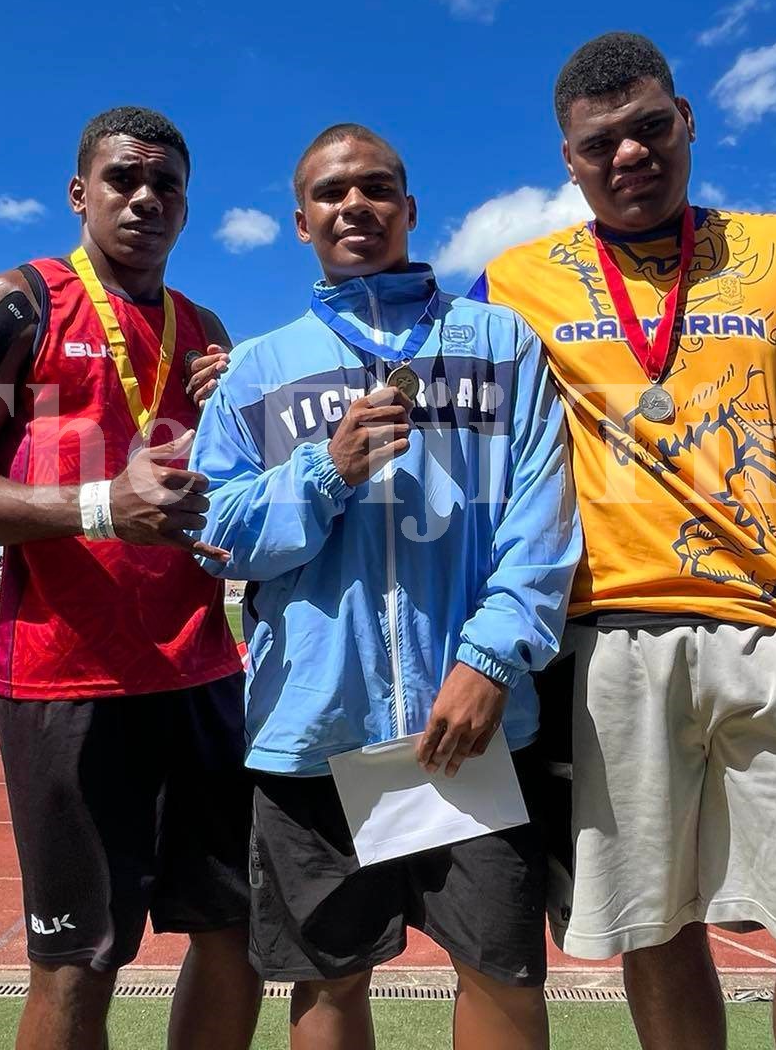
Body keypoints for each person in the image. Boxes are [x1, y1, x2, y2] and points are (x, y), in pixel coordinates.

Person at [471, 33, 776, 1050]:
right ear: (568, 160)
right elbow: (450, 431)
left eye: (649, 128)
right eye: (598, 144)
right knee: (654, 928)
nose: (628, 154)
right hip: (603, 641)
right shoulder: (513, 281)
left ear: (688, 122)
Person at [191, 124, 581, 1050]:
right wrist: (323, 472)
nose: (353, 205)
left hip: (472, 722)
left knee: (502, 975)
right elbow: (214, 532)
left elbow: (545, 518)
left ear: (409, 210)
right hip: (315, 732)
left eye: (375, 188)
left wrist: (490, 658)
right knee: (327, 987)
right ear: (301, 223)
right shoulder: (257, 368)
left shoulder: (500, 344)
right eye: (331, 194)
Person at [0, 106, 261, 1050]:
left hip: (200, 674)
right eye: (123, 181)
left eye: (166, 185)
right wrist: (98, 507)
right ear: (78, 193)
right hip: (67, 681)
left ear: (188, 205)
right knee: (78, 959)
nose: (145, 198)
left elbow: (224, 499)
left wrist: (243, 424)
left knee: (237, 935)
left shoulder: (208, 329)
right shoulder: (19, 305)